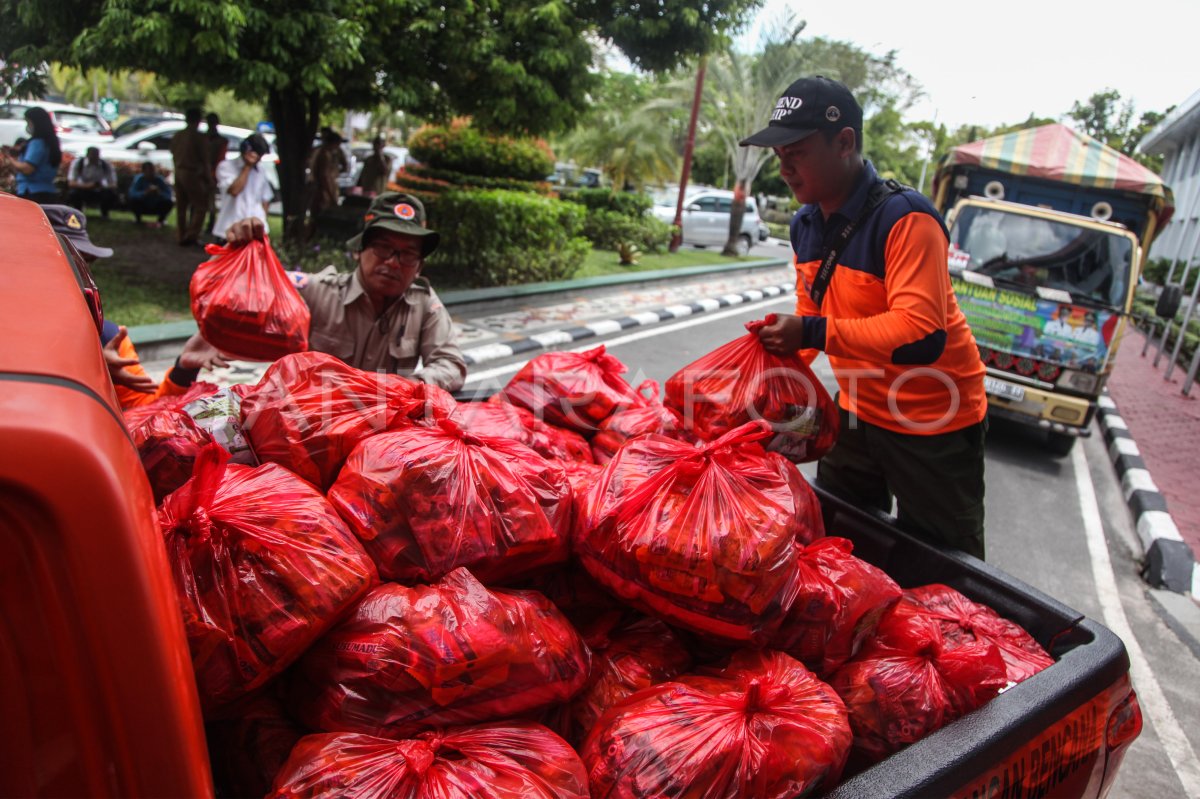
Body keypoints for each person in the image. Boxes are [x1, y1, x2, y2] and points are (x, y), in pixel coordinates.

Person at [740, 76, 988, 558]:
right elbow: (811, 315)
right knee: (839, 542)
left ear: (845, 142)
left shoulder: (906, 219)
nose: (785, 167)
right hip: (857, 410)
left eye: (797, 151)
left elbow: (920, 334)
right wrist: (768, 367)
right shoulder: (806, 223)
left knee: (942, 565)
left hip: (933, 420)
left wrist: (808, 332)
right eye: (779, 154)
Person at [224, 191, 466, 391]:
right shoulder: (317, 291)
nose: (393, 262)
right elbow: (248, 294)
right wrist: (243, 250)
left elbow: (451, 365)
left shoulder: (423, 303)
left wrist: (409, 386)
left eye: (408, 254)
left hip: (379, 434)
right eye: (383, 247)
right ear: (359, 250)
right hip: (308, 428)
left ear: (419, 266)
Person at [41, 204, 227, 407]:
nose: (79, 275)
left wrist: (184, 368)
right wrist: (88, 368)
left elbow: (147, 408)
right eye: (64, 260)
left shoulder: (107, 337)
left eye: (84, 263)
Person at [212, 133, 273, 241]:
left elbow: (266, 199)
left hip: (254, 232)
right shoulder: (226, 166)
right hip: (229, 230)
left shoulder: (261, 171)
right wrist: (247, 167)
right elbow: (234, 190)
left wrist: (262, 221)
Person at [169, 107, 213, 246]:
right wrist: (209, 179)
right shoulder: (198, 137)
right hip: (192, 173)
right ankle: (191, 235)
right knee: (201, 206)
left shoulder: (178, 135)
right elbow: (205, 160)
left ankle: (181, 235)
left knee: (181, 206)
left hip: (179, 171)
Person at [3, 106, 62, 204]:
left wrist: (10, 159)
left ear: (36, 123)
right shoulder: (51, 142)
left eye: (28, 122)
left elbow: (27, 168)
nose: (27, 126)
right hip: (47, 190)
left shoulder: (37, 143)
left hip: (32, 192)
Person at [306, 127, 347, 233]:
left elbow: (345, 166)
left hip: (323, 190)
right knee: (319, 220)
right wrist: (332, 196)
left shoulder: (325, 152)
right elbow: (324, 177)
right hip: (321, 193)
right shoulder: (324, 154)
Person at [66, 147, 119, 218]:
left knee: (111, 194)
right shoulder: (78, 163)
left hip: (100, 189)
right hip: (83, 188)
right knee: (74, 193)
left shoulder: (106, 165)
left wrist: (102, 186)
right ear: (87, 155)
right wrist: (87, 186)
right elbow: (71, 183)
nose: (94, 157)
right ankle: (78, 212)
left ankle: (104, 213)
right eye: (92, 155)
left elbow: (113, 184)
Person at [127, 162, 175, 227]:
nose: (152, 173)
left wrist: (159, 193)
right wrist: (145, 193)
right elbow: (132, 193)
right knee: (132, 201)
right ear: (143, 171)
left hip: (157, 205)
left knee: (169, 202)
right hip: (143, 205)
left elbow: (169, 195)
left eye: (153, 170)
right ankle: (138, 219)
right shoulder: (139, 180)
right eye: (149, 170)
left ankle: (161, 220)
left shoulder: (160, 180)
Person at [204, 112, 228, 232]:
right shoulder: (204, 138)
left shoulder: (220, 141)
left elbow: (220, 159)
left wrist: (214, 174)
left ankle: (211, 223)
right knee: (202, 201)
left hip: (212, 172)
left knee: (210, 200)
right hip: (204, 172)